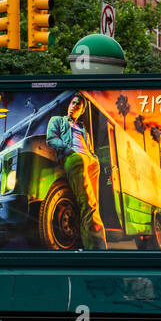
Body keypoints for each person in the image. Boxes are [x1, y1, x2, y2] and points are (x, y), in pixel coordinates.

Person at [47, 93, 108, 250]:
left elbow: (87, 146)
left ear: (81, 111)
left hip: (91, 162)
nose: (74, 106)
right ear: (69, 105)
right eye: (73, 103)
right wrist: (68, 150)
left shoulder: (83, 128)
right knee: (88, 203)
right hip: (74, 158)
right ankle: (98, 250)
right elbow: (51, 139)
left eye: (78, 105)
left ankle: (91, 246)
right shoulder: (58, 120)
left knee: (94, 206)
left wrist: (94, 157)